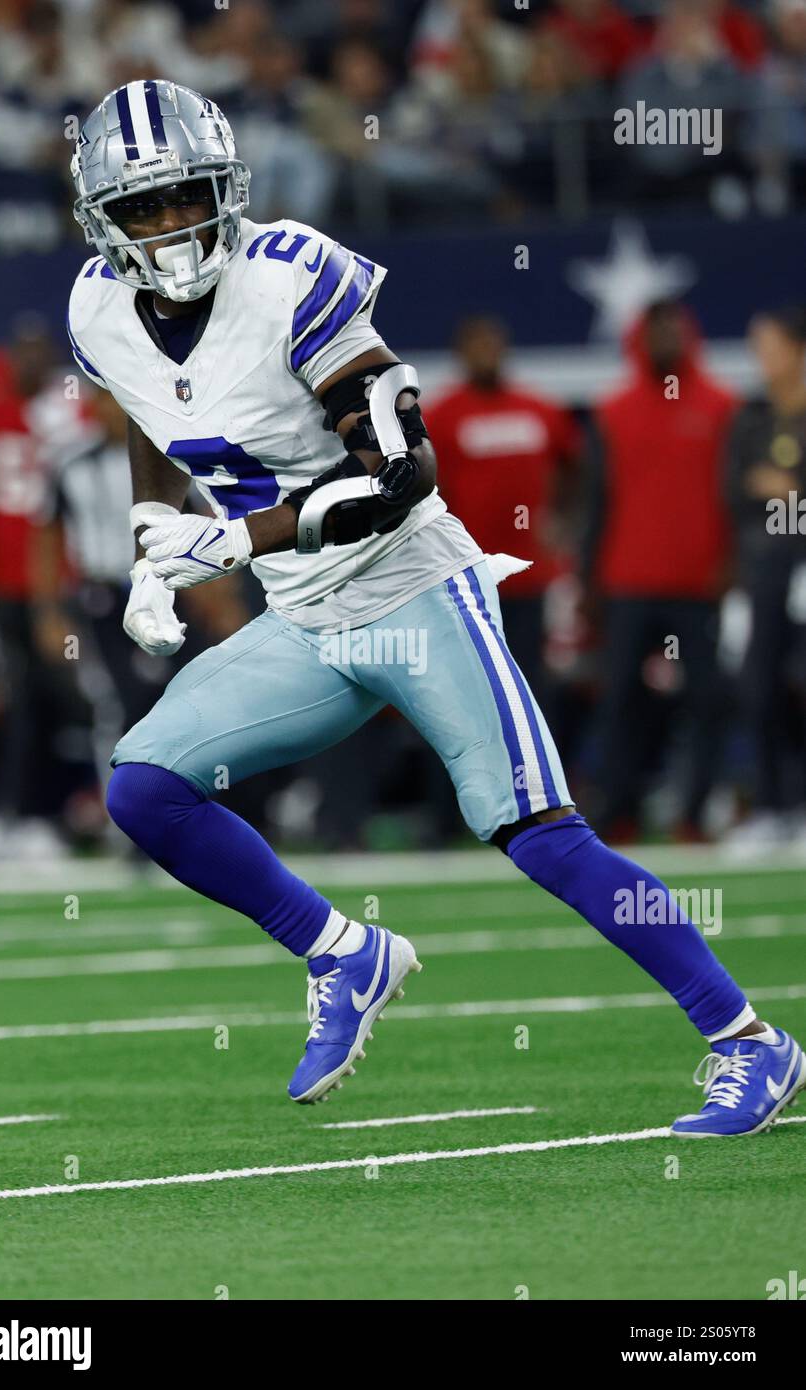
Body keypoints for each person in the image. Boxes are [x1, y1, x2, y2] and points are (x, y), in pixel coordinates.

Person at [68, 79, 804, 1133]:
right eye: (142, 207)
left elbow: (399, 476)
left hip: (411, 588)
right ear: (101, 218)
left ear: (225, 187)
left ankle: (750, 1041)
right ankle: (343, 955)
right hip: (305, 618)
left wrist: (230, 539)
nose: (170, 225)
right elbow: (150, 405)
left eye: (185, 196)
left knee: (536, 831)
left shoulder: (290, 279)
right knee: (143, 788)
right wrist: (150, 540)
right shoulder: (98, 307)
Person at [583, 300, 734, 842]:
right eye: (656, 329)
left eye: (675, 327)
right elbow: (597, 502)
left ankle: (694, 815)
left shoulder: (722, 407)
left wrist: (730, 565)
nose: (667, 338)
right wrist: (588, 579)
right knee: (620, 700)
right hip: (627, 582)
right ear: (639, 338)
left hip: (699, 585)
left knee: (707, 701)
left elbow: (734, 500)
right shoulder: (613, 411)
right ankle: (617, 811)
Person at [427, 314, 581, 700]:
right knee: (472, 686)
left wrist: (564, 521)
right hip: (468, 576)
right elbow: (423, 491)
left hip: (530, 573)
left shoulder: (539, 409)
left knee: (532, 681)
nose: (486, 355)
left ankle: (537, 761)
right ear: (460, 354)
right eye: (477, 347)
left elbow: (577, 467)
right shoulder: (440, 416)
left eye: (492, 346)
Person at [725, 306, 806, 847]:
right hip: (764, 572)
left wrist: (790, 493)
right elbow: (734, 493)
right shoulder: (752, 419)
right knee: (759, 688)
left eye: (770, 345)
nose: (762, 358)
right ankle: (775, 806)